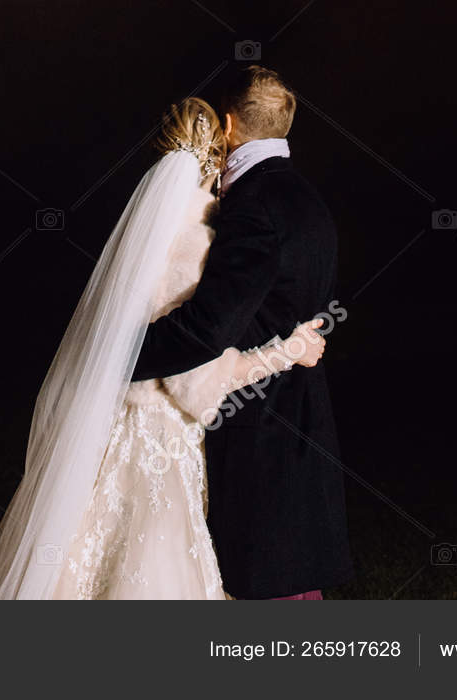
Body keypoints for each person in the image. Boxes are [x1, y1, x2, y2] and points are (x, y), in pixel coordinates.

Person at [0, 96, 326, 599]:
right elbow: (194, 382)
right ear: (220, 153)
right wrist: (287, 351)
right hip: (159, 443)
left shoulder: (149, 235)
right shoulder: (199, 241)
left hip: (113, 432)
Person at [132, 65, 352, 599]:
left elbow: (207, 327)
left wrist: (123, 355)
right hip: (300, 422)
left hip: (256, 427)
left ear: (228, 125)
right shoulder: (309, 201)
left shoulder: (251, 206)